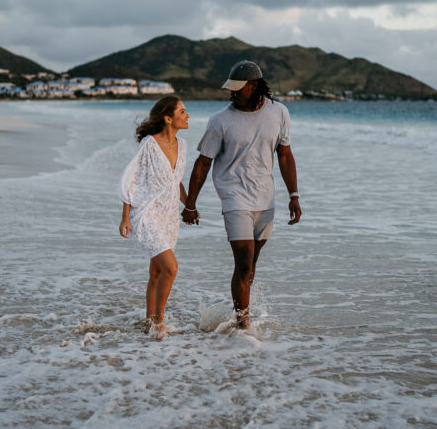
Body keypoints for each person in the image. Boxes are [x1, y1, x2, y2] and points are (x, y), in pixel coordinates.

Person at [182, 60, 301, 329]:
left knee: (250, 266)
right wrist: (190, 204)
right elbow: (203, 163)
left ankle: (240, 311)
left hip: (265, 198)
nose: (232, 94)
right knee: (244, 262)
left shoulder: (280, 113)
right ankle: (242, 325)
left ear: (254, 86)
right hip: (234, 197)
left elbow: (284, 154)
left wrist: (294, 195)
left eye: (238, 89)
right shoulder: (220, 120)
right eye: (230, 89)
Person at [119, 96, 190, 340]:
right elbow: (132, 179)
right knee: (171, 268)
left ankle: (149, 322)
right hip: (147, 214)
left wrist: (189, 205)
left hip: (168, 216)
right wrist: (125, 217)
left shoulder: (183, 146)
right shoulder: (149, 144)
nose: (187, 115)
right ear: (168, 118)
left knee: (157, 273)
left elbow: (175, 181)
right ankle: (159, 322)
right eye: (182, 111)